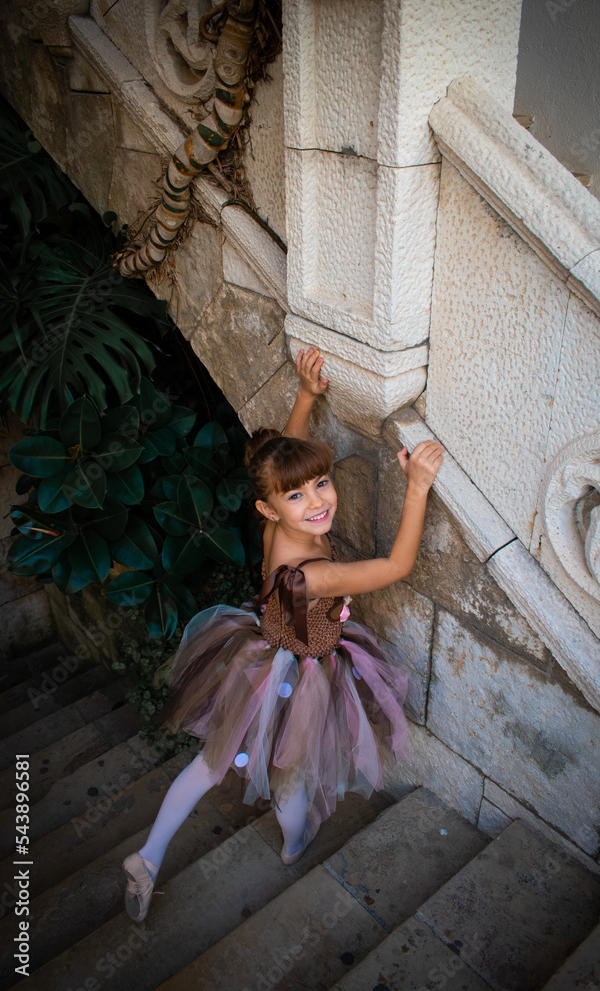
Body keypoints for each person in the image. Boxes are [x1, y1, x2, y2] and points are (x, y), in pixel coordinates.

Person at [122, 347, 445, 922]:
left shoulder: (277, 527)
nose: (317, 501)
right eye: (298, 496)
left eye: (321, 482)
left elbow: (280, 465)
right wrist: (416, 486)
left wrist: (304, 396)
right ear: (269, 509)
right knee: (291, 780)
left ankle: (146, 856)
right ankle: (294, 844)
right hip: (296, 671)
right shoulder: (316, 576)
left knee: (210, 764)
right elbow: (395, 567)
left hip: (259, 651)